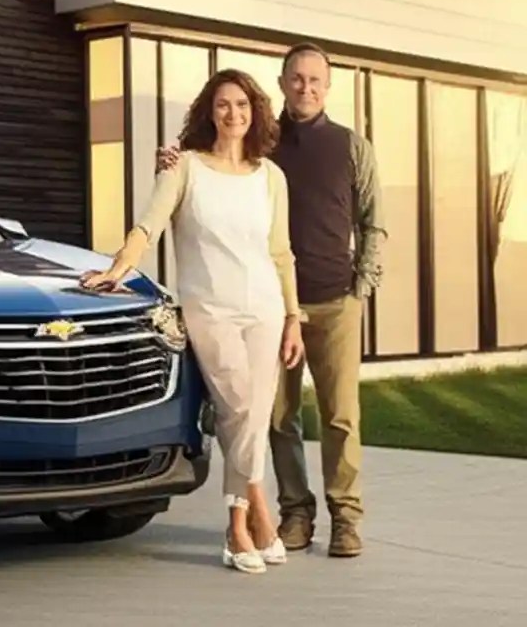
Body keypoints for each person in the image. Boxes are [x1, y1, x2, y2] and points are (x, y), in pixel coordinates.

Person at [155, 42, 386, 558]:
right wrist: (168, 160)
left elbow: (374, 221)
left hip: (334, 302)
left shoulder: (352, 146)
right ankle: (294, 514)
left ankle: (346, 518)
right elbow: (207, 164)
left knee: (340, 416)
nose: (306, 88)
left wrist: (360, 287)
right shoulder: (261, 141)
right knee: (274, 418)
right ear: (282, 84)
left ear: (328, 87)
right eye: (297, 79)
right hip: (268, 306)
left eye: (316, 80)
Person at [81, 68, 305, 574]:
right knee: (239, 408)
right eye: (224, 105)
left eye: (243, 105)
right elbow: (150, 224)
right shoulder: (184, 167)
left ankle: (253, 513)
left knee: (252, 412)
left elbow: (282, 253)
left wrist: (293, 316)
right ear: (210, 111)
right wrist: (119, 267)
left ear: (256, 112)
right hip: (211, 308)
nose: (234, 114)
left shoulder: (271, 177)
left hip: (266, 307)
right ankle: (239, 520)